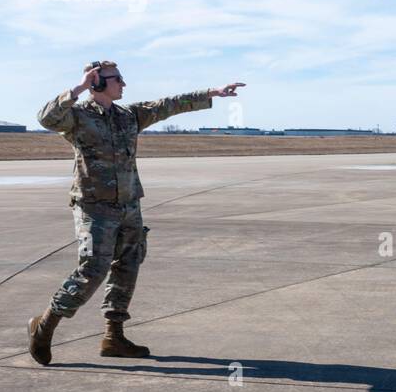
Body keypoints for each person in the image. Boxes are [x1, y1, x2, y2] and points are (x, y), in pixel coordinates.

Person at [27, 61, 245, 364]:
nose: (124, 85)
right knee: (92, 269)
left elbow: (168, 105)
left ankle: (113, 336)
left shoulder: (129, 115)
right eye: (117, 79)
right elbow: (46, 118)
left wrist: (213, 92)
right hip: (95, 207)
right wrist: (78, 88)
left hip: (129, 205)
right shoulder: (77, 116)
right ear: (97, 83)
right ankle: (45, 325)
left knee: (128, 264)